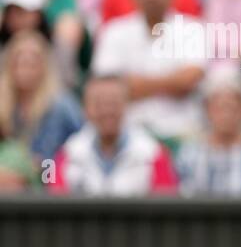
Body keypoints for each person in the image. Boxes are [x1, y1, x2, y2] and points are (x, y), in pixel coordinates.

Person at [91, 0, 208, 142]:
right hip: (129, 130)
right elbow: (108, 86)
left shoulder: (192, 28)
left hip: (182, 130)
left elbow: (190, 80)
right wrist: (172, 83)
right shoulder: (114, 31)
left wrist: (135, 84)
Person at [49, 75, 179, 196]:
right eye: (98, 104)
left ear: (127, 105)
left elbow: (167, 208)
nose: (107, 110)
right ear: (85, 108)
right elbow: (54, 205)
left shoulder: (154, 154)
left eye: (114, 103)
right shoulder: (66, 155)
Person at [175, 66, 241, 196]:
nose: (226, 115)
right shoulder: (188, 154)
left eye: (233, 107)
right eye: (219, 107)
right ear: (207, 109)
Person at [0, 29, 82, 165]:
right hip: (13, 177)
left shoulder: (61, 105)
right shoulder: (3, 103)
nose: (25, 71)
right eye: (20, 64)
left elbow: (82, 138)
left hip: (51, 173)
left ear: (44, 67)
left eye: (32, 65)